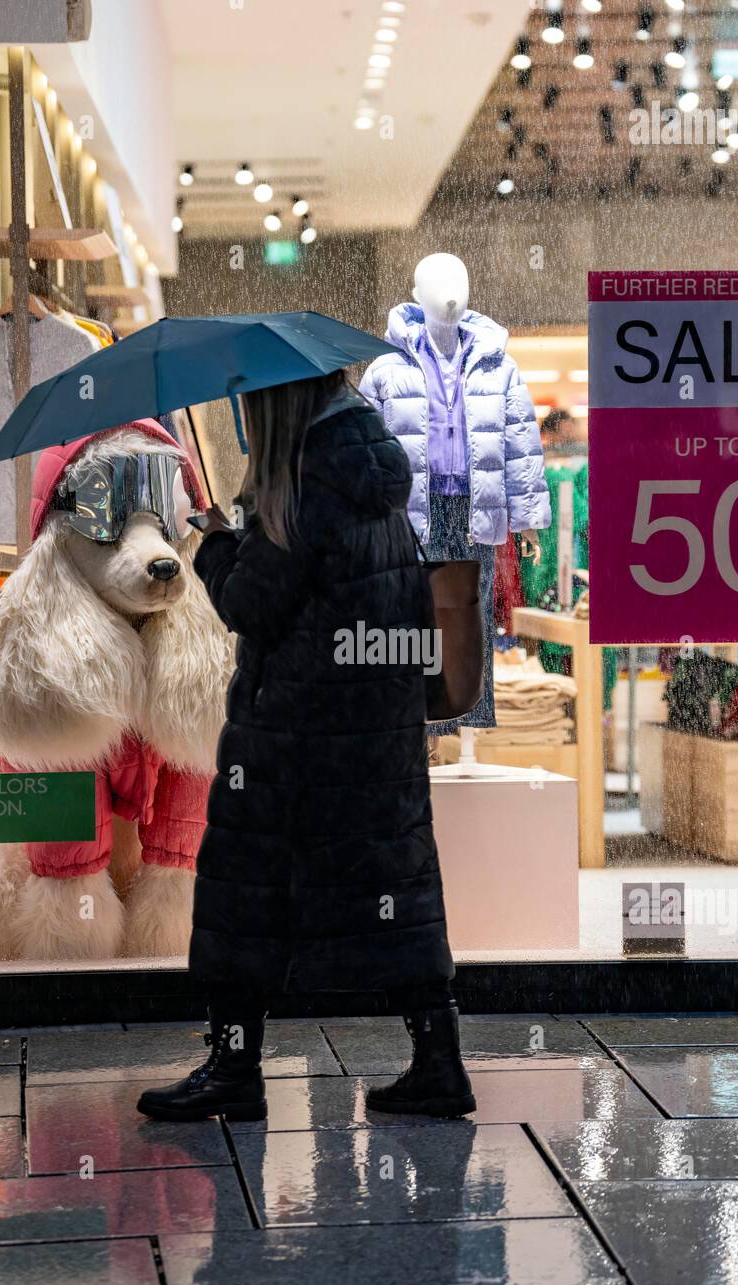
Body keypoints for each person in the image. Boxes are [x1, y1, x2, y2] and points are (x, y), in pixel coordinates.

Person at [137, 369, 475, 1122]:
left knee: (242, 895)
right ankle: (438, 1060)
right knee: (396, 891)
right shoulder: (370, 479)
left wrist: (216, 537)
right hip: (372, 741)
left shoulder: (306, 491)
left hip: (293, 740)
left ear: (280, 405)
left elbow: (250, 603)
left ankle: (232, 1067)